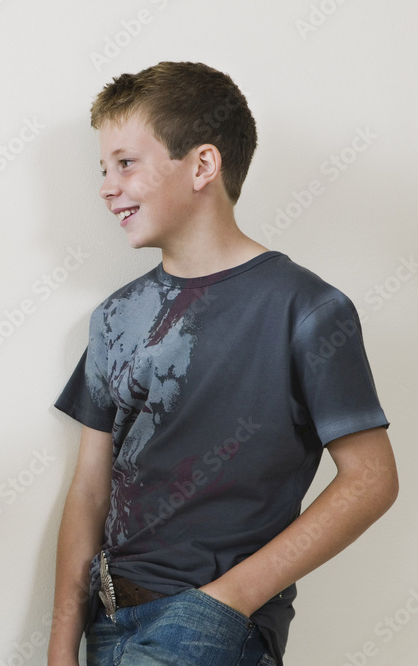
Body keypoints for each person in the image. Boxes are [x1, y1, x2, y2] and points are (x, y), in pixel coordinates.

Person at [46, 61, 397, 666]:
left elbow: (371, 480)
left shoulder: (307, 309)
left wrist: (228, 599)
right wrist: (60, 646)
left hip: (210, 629)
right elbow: (88, 487)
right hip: (108, 626)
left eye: (126, 163)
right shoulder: (113, 318)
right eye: (102, 168)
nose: (106, 185)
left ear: (203, 165)